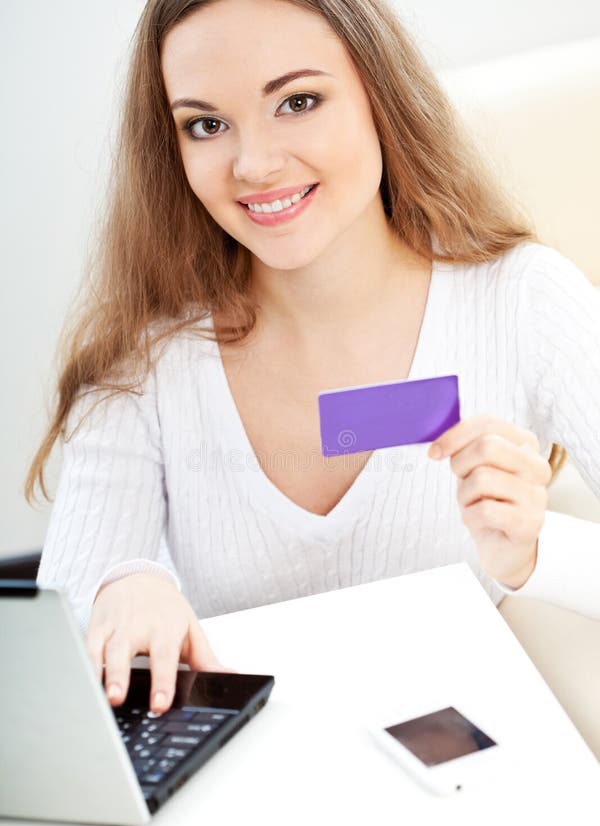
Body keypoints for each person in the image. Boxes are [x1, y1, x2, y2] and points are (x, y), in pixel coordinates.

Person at [26, 0, 600, 715]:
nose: (255, 165)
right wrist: (126, 586)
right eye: (206, 124)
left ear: (378, 96)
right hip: (248, 785)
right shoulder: (143, 363)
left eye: (298, 101)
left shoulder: (523, 297)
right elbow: (58, 649)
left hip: (470, 770)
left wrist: (538, 552)